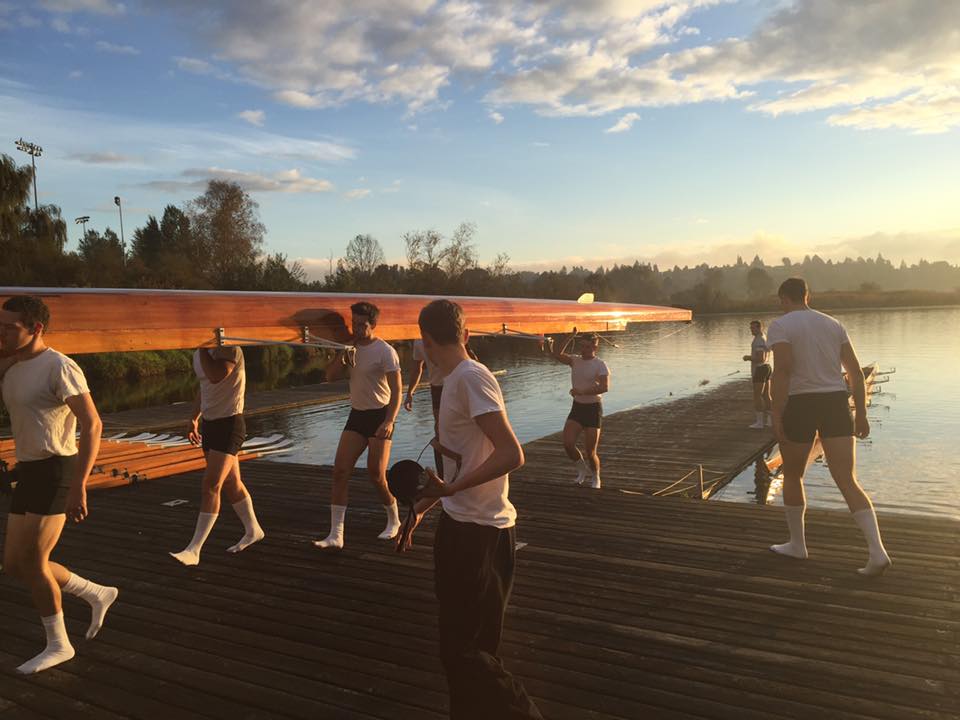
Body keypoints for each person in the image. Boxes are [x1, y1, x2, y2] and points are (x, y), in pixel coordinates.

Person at [397, 299, 543, 720]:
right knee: (461, 654)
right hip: (462, 526)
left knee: (467, 653)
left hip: (480, 536)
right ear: (466, 333)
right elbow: (465, 459)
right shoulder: (455, 380)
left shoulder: (470, 379)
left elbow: (512, 453)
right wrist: (425, 506)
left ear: (424, 342)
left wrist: (450, 487)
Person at [0, 295, 118, 674]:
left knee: (34, 562)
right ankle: (95, 592)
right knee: (14, 565)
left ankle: (59, 644)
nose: (1, 333)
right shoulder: (12, 366)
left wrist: (79, 485)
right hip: (30, 471)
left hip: (57, 471)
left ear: (35, 328)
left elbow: (93, 425)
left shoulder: (60, 367)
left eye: (8, 327)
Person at [767, 278, 891, 576]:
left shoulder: (781, 326)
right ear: (807, 296)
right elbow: (855, 373)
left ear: (784, 298)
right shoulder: (833, 324)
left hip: (801, 404)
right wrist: (860, 413)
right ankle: (877, 551)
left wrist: (776, 411)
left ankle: (798, 545)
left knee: (793, 475)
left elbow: (782, 369)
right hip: (836, 402)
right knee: (847, 478)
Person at [315, 302, 402, 549]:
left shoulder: (385, 351)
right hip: (357, 415)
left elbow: (397, 391)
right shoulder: (349, 348)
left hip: (379, 416)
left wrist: (389, 421)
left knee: (376, 474)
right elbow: (330, 377)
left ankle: (394, 519)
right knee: (339, 472)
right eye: (354, 324)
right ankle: (336, 535)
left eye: (362, 325)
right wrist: (341, 352)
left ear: (373, 325)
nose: (357, 329)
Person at [170, 342, 264, 566]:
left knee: (211, 485)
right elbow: (205, 387)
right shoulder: (199, 353)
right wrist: (194, 418)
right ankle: (253, 530)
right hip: (210, 425)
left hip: (230, 424)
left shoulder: (230, 349)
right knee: (232, 483)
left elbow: (216, 375)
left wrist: (202, 347)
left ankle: (194, 549)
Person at [549, 332, 610, 489]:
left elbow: (604, 387)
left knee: (590, 452)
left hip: (593, 409)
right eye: (582, 346)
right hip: (577, 408)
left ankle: (596, 476)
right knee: (568, 444)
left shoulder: (600, 364)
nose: (584, 350)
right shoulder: (574, 360)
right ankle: (581, 469)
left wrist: (583, 392)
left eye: (588, 347)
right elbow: (556, 354)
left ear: (595, 347)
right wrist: (570, 336)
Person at [404, 338, 447, 477]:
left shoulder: (447, 331)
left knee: (457, 428)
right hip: (437, 387)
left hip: (455, 383)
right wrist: (410, 392)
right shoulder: (418, 341)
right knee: (439, 431)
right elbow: (417, 368)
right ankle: (442, 477)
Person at [743, 320, 772, 428]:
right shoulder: (764, 337)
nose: (751, 330)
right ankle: (770, 421)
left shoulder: (759, 340)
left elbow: (761, 358)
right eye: (751, 328)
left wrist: (748, 357)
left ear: (760, 328)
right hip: (767, 367)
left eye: (753, 328)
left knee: (757, 395)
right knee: (766, 395)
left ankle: (759, 422)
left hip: (760, 369)